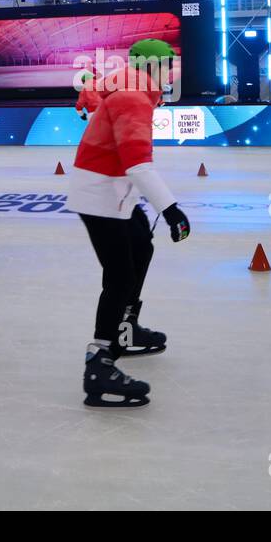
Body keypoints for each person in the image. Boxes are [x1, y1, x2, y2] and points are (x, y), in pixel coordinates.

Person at [66, 38, 189, 408]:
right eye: (167, 65)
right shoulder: (133, 97)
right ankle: (99, 363)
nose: (171, 73)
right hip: (101, 195)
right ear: (151, 66)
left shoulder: (134, 91)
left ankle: (126, 327)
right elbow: (137, 162)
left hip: (115, 190)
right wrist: (172, 209)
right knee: (120, 275)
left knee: (141, 246)